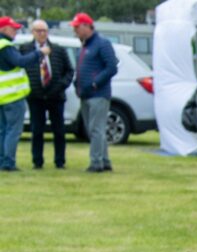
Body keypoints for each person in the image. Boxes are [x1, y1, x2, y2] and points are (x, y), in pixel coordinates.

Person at [23, 20, 71, 170]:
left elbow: (69, 71)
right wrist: (31, 88)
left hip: (56, 96)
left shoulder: (58, 50)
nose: (42, 33)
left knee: (59, 130)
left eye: (44, 30)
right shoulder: (25, 49)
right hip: (36, 97)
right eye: (38, 31)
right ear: (33, 32)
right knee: (37, 130)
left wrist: (61, 86)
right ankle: (37, 161)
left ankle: (60, 161)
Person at [70, 13, 115, 172]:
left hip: (98, 94)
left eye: (77, 27)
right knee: (93, 129)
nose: (74, 30)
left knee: (96, 129)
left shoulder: (102, 44)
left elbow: (111, 67)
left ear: (86, 26)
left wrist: (96, 83)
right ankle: (104, 160)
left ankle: (96, 162)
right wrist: (77, 84)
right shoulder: (84, 46)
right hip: (85, 94)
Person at [0, 16, 42, 173]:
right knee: (13, 131)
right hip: (12, 95)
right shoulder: (5, 46)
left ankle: (2, 160)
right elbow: (20, 61)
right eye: (13, 28)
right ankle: (8, 163)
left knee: (3, 130)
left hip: (2, 96)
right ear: (3, 29)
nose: (16, 31)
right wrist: (39, 54)